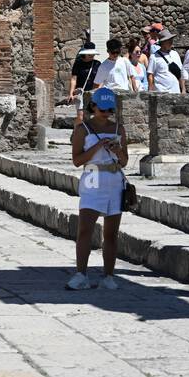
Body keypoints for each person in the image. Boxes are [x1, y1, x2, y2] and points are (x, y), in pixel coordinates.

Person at [68, 87, 128, 291]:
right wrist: (97, 147)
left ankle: (109, 275)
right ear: (93, 106)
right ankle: (80, 274)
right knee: (85, 228)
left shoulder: (119, 128)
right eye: (102, 109)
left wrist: (117, 149)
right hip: (92, 177)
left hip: (113, 179)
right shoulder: (83, 129)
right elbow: (77, 160)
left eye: (110, 109)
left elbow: (125, 161)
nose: (106, 113)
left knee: (111, 233)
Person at [66, 43, 99, 123]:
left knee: (92, 117)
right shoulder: (78, 64)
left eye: (92, 53)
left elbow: (101, 80)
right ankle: (78, 132)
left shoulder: (97, 64)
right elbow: (74, 79)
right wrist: (71, 93)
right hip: (81, 93)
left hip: (93, 93)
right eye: (89, 53)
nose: (92, 55)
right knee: (81, 116)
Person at [146, 28, 185, 93]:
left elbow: (180, 73)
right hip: (161, 92)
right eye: (169, 40)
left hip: (176, 91)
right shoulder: (154, 57)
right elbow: (150, 75)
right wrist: (150, 90)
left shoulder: (175, 54)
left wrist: (183, 89)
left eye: (171, 40)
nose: (171, 42)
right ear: (163, 42)